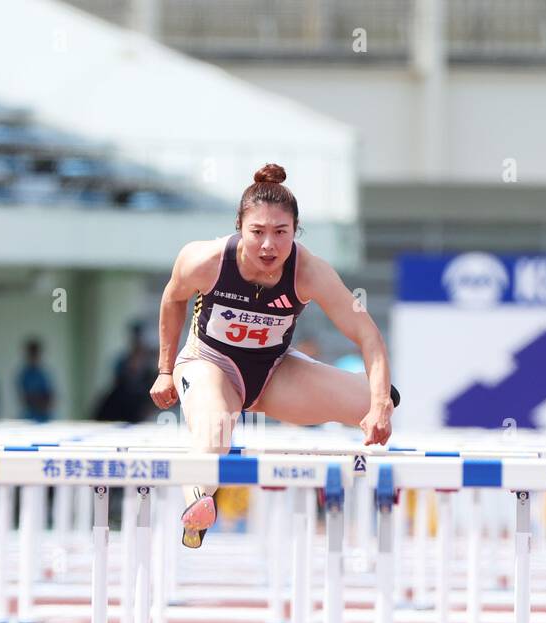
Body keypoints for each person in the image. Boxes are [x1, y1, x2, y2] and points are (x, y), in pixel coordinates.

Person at [150, 163, 398, 548]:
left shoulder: (309, 271)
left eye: (281, 233)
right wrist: (165, 370)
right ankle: (197, 505)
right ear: (239, 227)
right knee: (217, 427)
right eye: (258, 232)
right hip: (210, 365)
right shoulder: (205, 260)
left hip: (274, 371)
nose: (269, 246)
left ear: (295, 232)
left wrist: (380, 404)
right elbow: (172, 298)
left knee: (377, 398)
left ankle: (385, 462)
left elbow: (368, 335)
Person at [17, 338, 55, 422]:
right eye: (32, 354)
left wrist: (45, 404)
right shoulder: (24, 375)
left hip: (46, 417)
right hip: (30, 417)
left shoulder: (44, 374)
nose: (34, 357)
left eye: (36, 354)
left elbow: (52, 396)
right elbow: (24, 398)